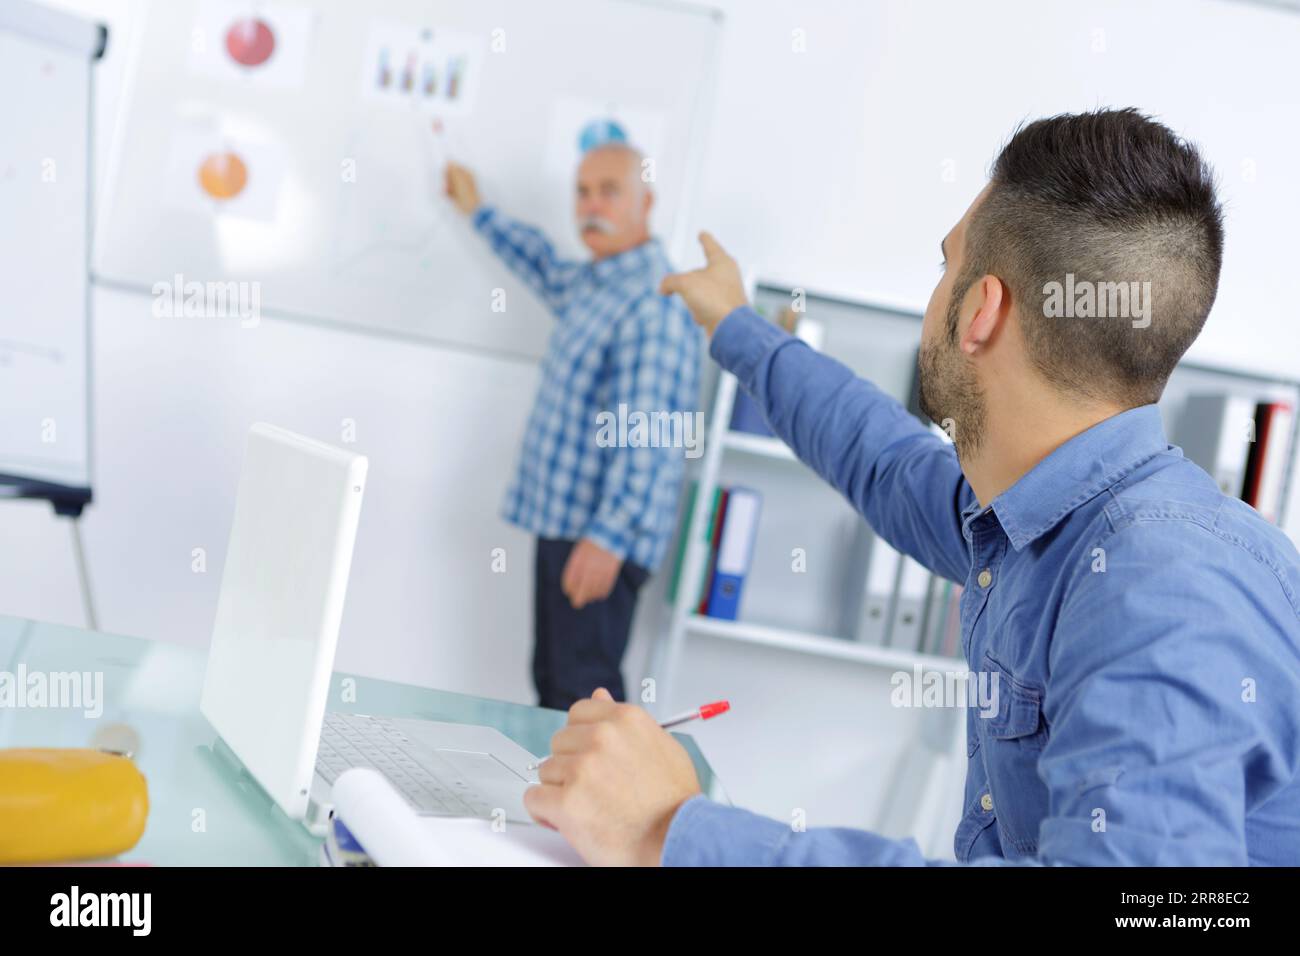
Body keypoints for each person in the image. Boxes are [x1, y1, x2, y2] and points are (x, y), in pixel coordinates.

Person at [522, 109, 1300, 865]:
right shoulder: (1048, 519)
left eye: (945, 266)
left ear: (981, 312)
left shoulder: (1161, 589)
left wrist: (673, 833)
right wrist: (733, 323)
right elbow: (884, 459)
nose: (937, 294)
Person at [444, 143, 702, 710]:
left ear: (647, 201)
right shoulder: (597, 283)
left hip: (599, 537)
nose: (591, 206)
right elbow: (540, 263)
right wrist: (477, 209)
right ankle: (556, 800)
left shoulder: (650, 305)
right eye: (582, 192)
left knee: (580, 696)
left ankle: (609, 802)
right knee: (556, 687)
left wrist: (608, 539)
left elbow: (651, 439)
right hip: (569, 529)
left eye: (609, 191)